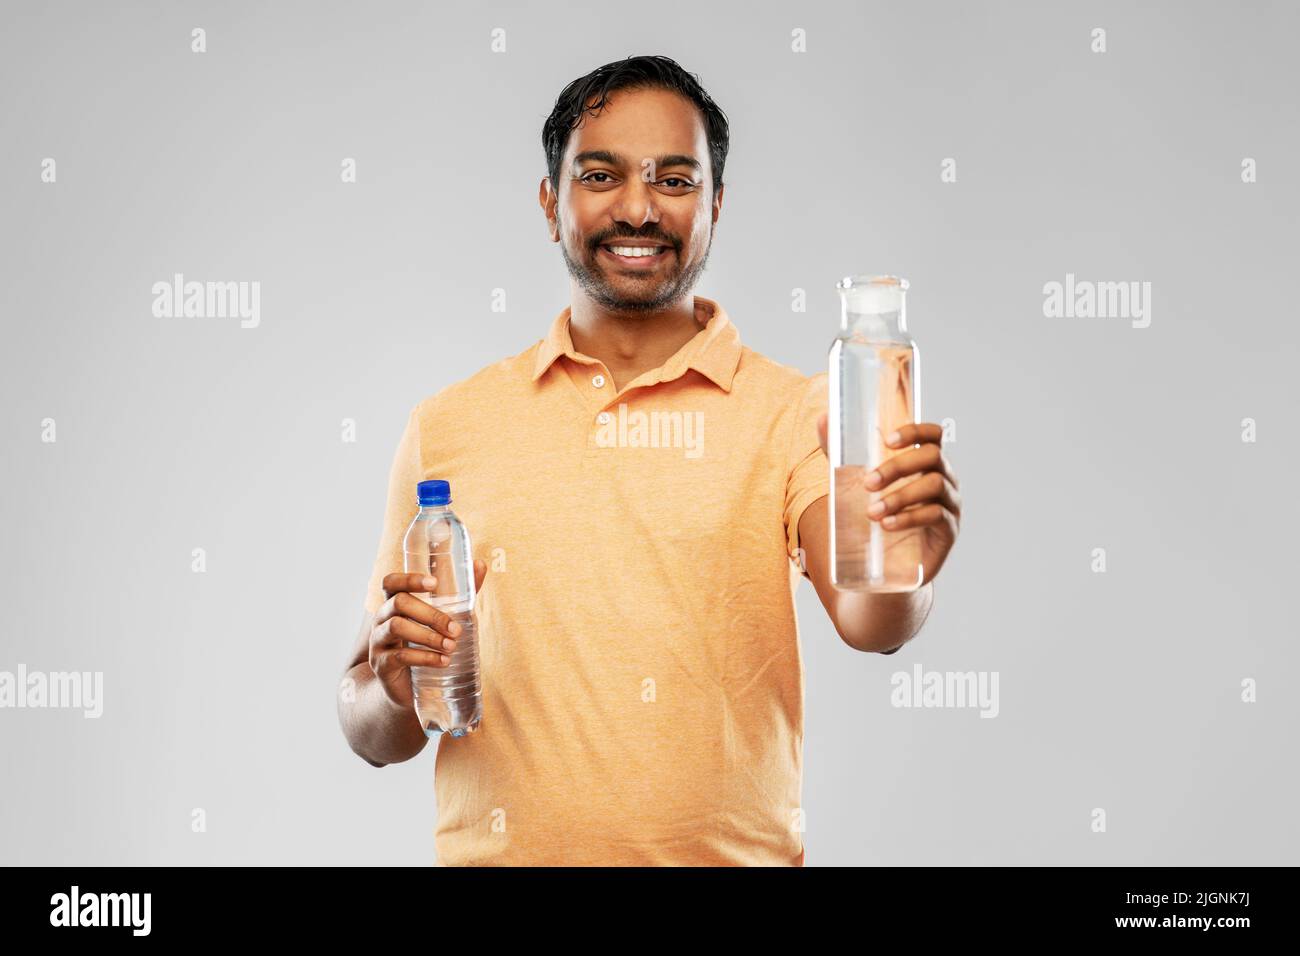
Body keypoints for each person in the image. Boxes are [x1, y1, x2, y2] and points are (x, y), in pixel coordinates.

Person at [337, 55, 962, 866]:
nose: (638, 209)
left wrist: (908, 559)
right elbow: (371, 728)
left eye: (675, 180)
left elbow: (870, 622)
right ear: (551, 203)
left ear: (715, 205)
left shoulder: (796, 413)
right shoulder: (449, 424)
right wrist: (391, 686)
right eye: (601, 175)